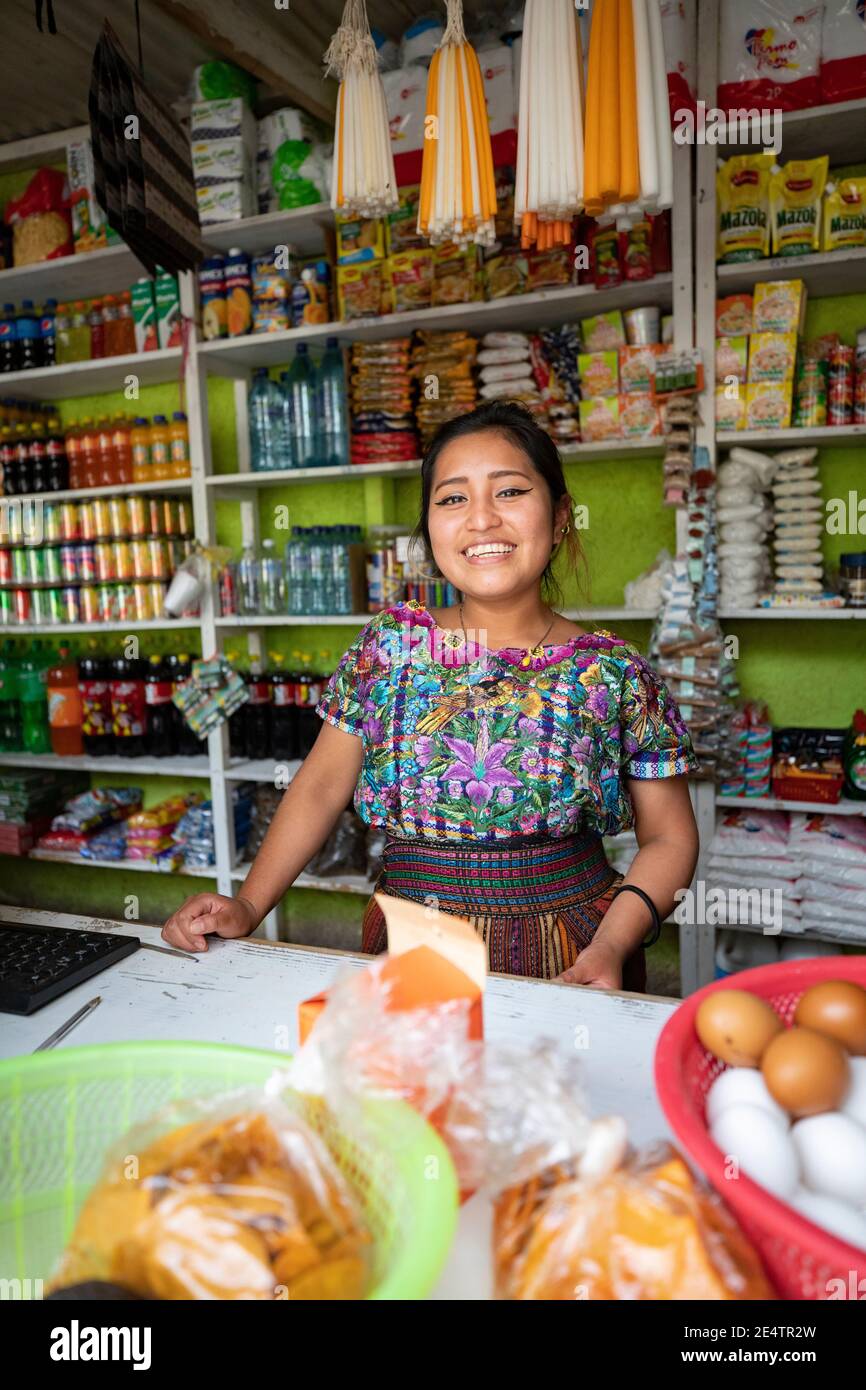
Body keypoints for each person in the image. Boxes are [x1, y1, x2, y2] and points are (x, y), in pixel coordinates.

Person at [163, 401, 699, 991]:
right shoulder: (389, 648)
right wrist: (248, 906)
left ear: (562, 514)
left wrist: (612, 944)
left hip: (576, 950)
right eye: (452, 498)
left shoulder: (615, 672)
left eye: (511, 491)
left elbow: (670, 837)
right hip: (411, 943)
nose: (482, 520)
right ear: (430, 529)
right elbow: (318, 786)